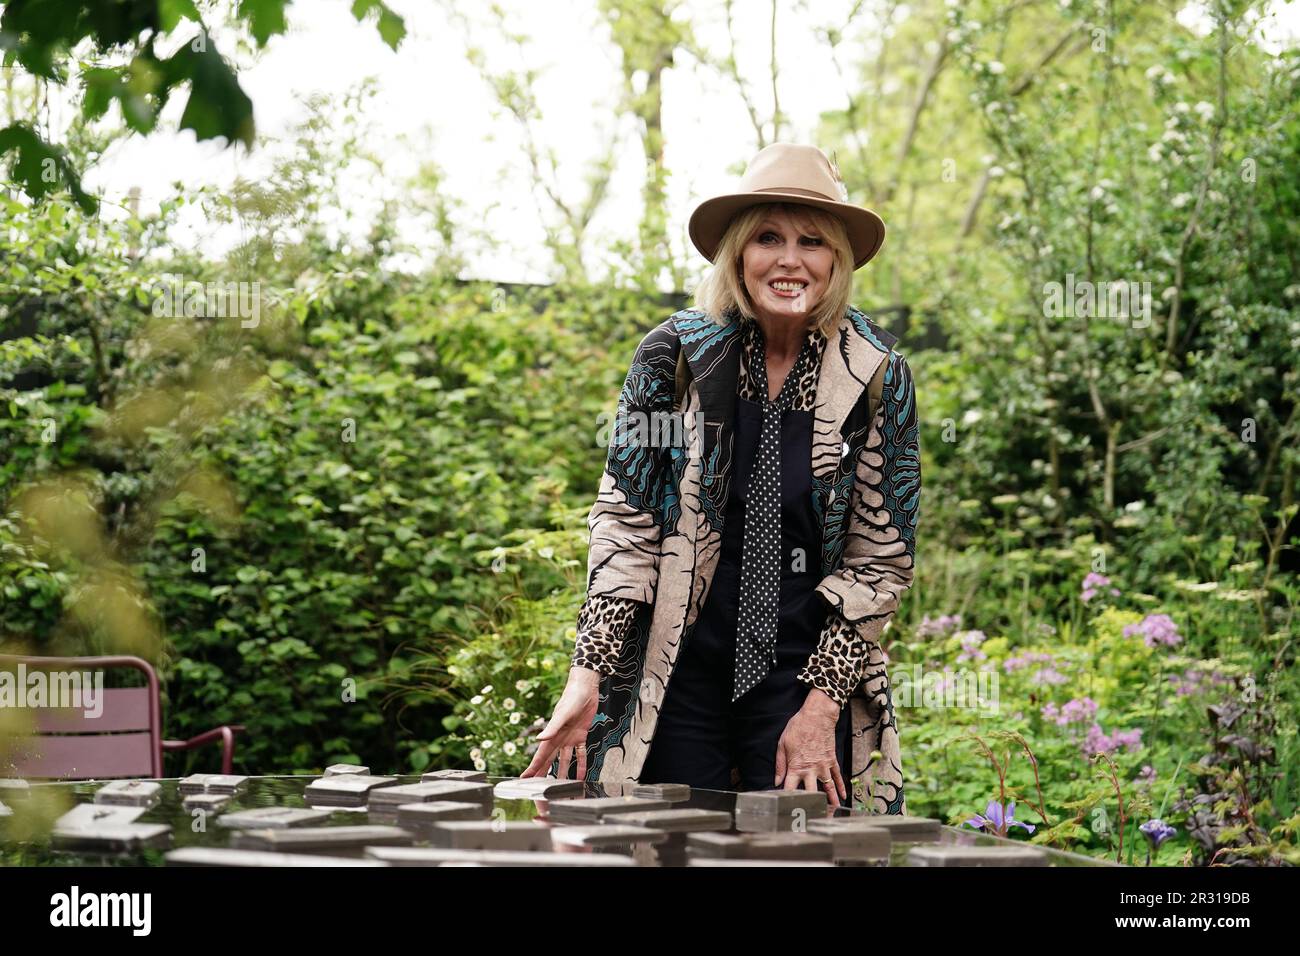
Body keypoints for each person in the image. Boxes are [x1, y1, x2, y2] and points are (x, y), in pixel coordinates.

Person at [522, 143, 920, 812]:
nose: (790, 259)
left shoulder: (876, 374)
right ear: (737, 252)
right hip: (675, 677)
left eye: (812, 242)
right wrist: (586, 675)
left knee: (800, 855)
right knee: (666, 849)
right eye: (768, 237)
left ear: (836, 262)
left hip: (803, 677)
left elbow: (879, 561)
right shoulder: (674, 355)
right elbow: (627, 524)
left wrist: (821, 710)